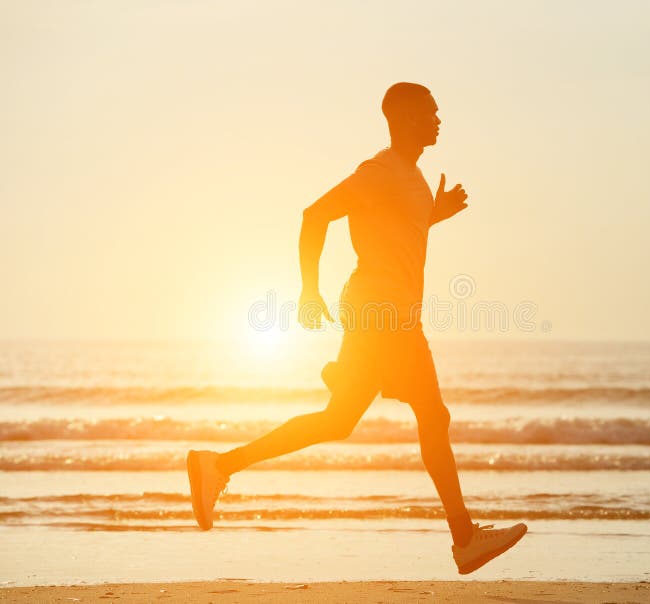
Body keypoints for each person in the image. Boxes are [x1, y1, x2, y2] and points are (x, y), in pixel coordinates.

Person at [187, 83, 527, 574]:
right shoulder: (381, 171)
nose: (438, 120)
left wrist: (436, 214)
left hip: (385, 315)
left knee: (338, 420)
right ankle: (465, 537)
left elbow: (395, 235)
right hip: (383, 314)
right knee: (433, 416)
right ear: (406, 118)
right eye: (431, 113)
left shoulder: (412, 177)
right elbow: (315, 214)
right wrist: (308, 290)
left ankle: (218, 465)